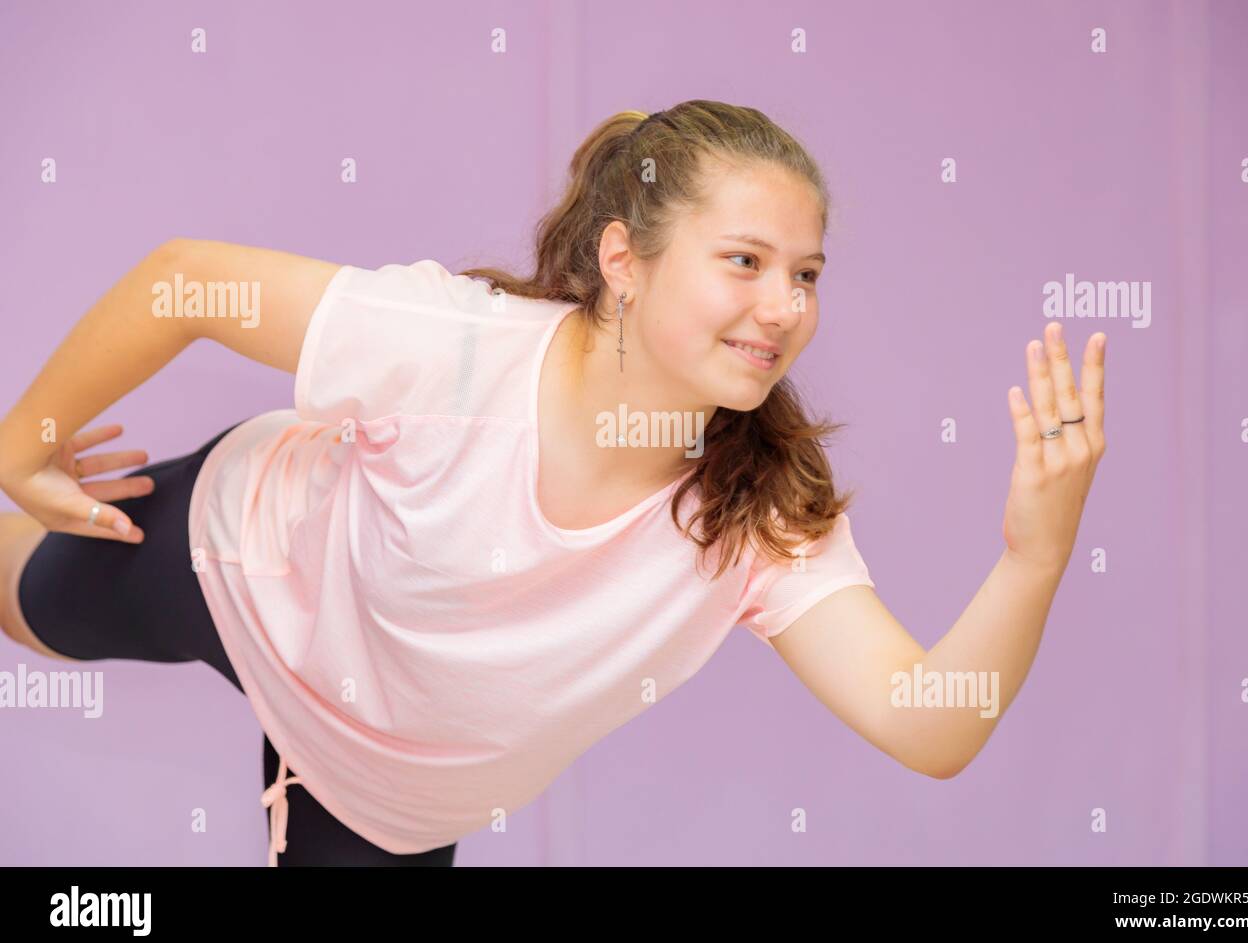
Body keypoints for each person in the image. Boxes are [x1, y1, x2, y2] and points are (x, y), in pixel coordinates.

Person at [0, 99, 1107, 866]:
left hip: (381, 786)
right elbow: (187, 281)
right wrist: (18, 448)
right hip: (242, 565)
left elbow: (930, 728)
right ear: (624, 260)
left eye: (806, 274)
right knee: (32, 604)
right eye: (745, 260)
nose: (785, 308)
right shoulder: (456, 350)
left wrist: (1036, 555)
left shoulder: (753, 518)